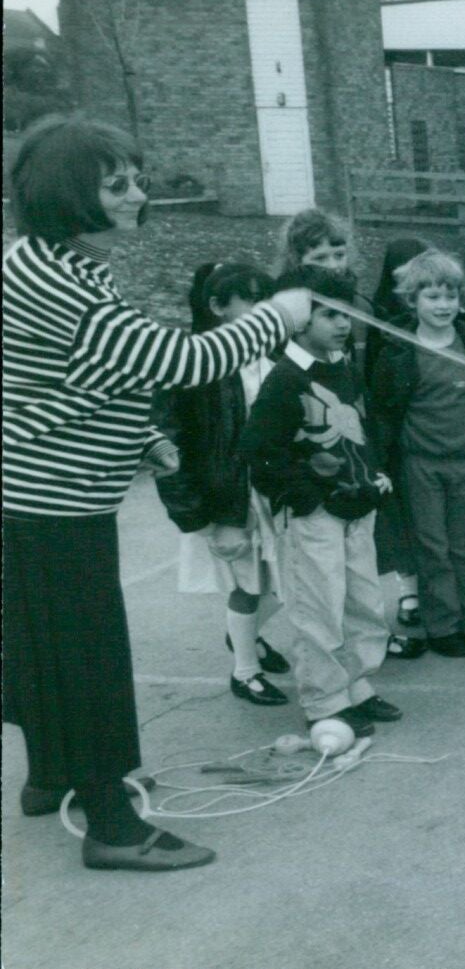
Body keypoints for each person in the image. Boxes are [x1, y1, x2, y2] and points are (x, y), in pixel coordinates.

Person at [4, 116, 312, 871]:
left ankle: (51, 777)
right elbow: (178, 359)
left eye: (136, 177)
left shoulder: (56, 264)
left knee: (46, 647)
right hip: (49, 503)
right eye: (118, 183)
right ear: (66, 194)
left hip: (48, 496)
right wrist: (280, 313)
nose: (139, 193)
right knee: (85, 656)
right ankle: (113, 824)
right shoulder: (54, 278)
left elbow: (73, 376)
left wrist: (139, 437)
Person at [244, 264, 402, 739]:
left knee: (363, 601)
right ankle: (324, 700)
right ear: (297, 319)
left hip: (356, 510)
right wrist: (309, 496)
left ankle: (356, 685)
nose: (341, 324)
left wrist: (371, 477)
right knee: (318, 607)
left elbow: (359, 431)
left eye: (345, 314)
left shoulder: (344, 368)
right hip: (314, 516)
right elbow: (258, 453)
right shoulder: (284, 379)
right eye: (328, 314)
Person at [156, 263, 293, 706]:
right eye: (251, 302)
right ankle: (245, 670)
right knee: (247, 585)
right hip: (229, 499)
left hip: (271, 491)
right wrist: (201, 517)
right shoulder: (193, 366)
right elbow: (170, 447)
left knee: (283, 581)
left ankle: (245, 637)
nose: (263, 312)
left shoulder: (272, 356)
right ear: (216, 307)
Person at [369, 250, 465, 658]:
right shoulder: (397, 349)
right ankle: (443, 625)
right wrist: (383, 462)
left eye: (450, 296)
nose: (443, 305)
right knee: (433, 546)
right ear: (411, 301)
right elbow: (383, 412)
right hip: (421, 465)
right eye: (432, 297)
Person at [365, 237, 432, 649]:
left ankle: (434, 589)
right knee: (404, 516)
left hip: (430, 429)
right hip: (395, 432)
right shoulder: (381, 322)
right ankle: (409, 591)